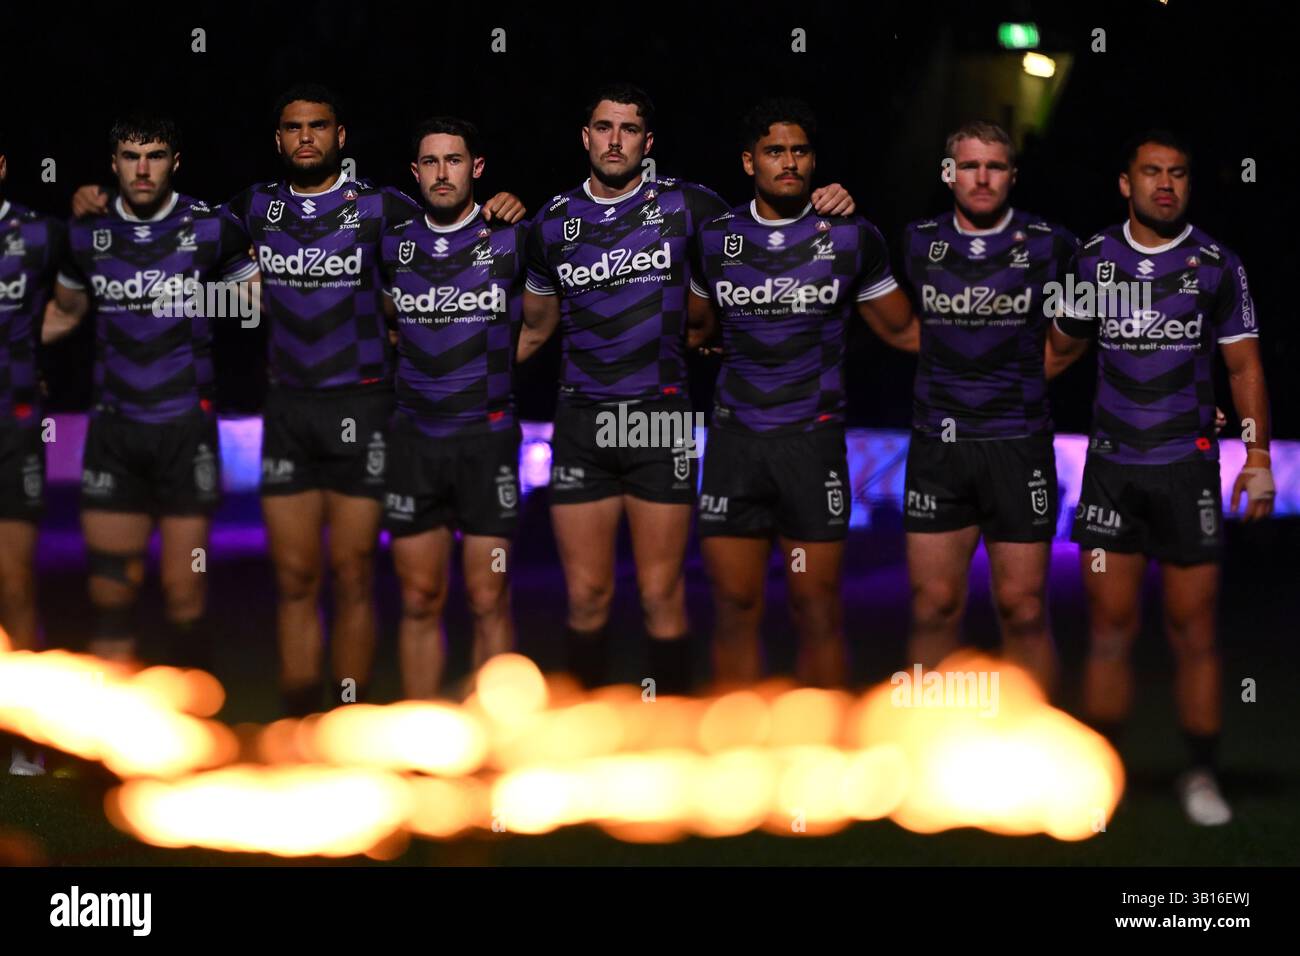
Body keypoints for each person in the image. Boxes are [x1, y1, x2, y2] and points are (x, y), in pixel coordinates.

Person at [519, 83, 857, 692]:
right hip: (580, 420)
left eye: (628, 130)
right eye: (603, 127)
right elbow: (535, 332)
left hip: (663, 418)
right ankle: (583, 745)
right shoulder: (550, 223)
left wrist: (828, 197)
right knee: (589, 596)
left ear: (647, 143)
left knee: (660, 594)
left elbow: (765, 230)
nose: (614, 140)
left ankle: (668, 736)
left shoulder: (691, 208)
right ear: (585, 136)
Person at [1049, 130, 1274, 825]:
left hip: (1190, 472)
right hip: (1114, 470)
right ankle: (1100, 781)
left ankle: (1201, 778)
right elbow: (1055, 355)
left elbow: (1243, 369)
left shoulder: (1216, 264)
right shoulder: (1090, 260)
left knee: (1194, 630)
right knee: (1111, 629)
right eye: (1151, 172)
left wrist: (1258, 458)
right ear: (1126, 183)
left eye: (1178, 173)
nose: (1165, 184)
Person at [689, 98, 917, 686]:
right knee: (735, 610)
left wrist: (988, 340)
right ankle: (736, 754)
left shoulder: (851, 236)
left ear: (814, 161)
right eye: (774, 151)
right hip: (736, 448)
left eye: (799, 151)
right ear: (749, 162)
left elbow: (900, 329)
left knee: (816, 611)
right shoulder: (714, 239)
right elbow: (695, 329)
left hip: (813, 448)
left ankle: (823, 761)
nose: (788, 162)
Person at [44, 113, 256, 675]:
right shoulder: (85, 232)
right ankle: (111, 750)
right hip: (114, 432)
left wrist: (180, 300)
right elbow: (63, 315)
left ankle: (189, 743)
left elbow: (257, 306)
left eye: (156, 155)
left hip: (186, 432)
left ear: (175, 162)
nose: (143, 169)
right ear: (113, 164)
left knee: (185, 597)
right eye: (131, 157)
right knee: (111, 599)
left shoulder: (213, 227)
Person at [899, 121, 1079, 692]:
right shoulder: (916, 241)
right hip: (937, 448)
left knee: (1024, 609)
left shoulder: (1053, 244)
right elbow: (902, 327)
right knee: (933, 606)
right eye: (970, 165)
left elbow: (1066, 342)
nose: (982, 177)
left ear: (1012, 175)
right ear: (948, 173)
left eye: (995, 166)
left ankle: (1036, 761)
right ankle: (923, 753)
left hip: (1017, 445)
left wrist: (1012, 388)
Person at [379, 117, 526, 698]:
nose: (444, 174)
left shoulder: (514, 237)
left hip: (487, 440)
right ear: (416, 173)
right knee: (419, 599)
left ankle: (499, 738)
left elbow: (538, 326)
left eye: (455, 161)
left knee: (488, 595)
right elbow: (387, 324)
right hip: (415, 442)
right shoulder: (391, 243)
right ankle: (423, 737)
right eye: (431, 163)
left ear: (477, 168)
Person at [0, 130, 64, 774]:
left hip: (13, 430)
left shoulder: (39, 233)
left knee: (16, 584)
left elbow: (75, 300)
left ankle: (25, 739)